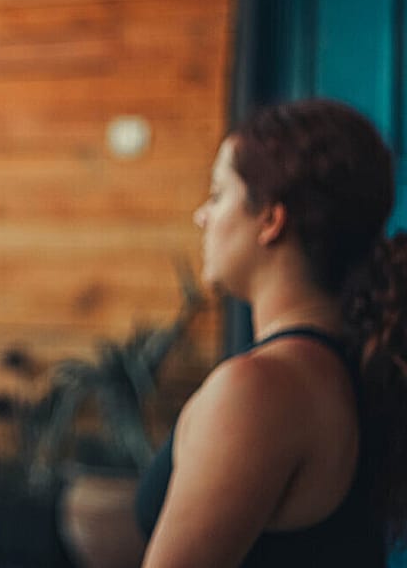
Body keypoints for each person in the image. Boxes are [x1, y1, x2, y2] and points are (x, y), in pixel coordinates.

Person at [136, 99, 407, 567]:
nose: (202, 215)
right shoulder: (355, 366)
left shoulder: (257, 390)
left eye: (218, 194)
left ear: (270, 219)